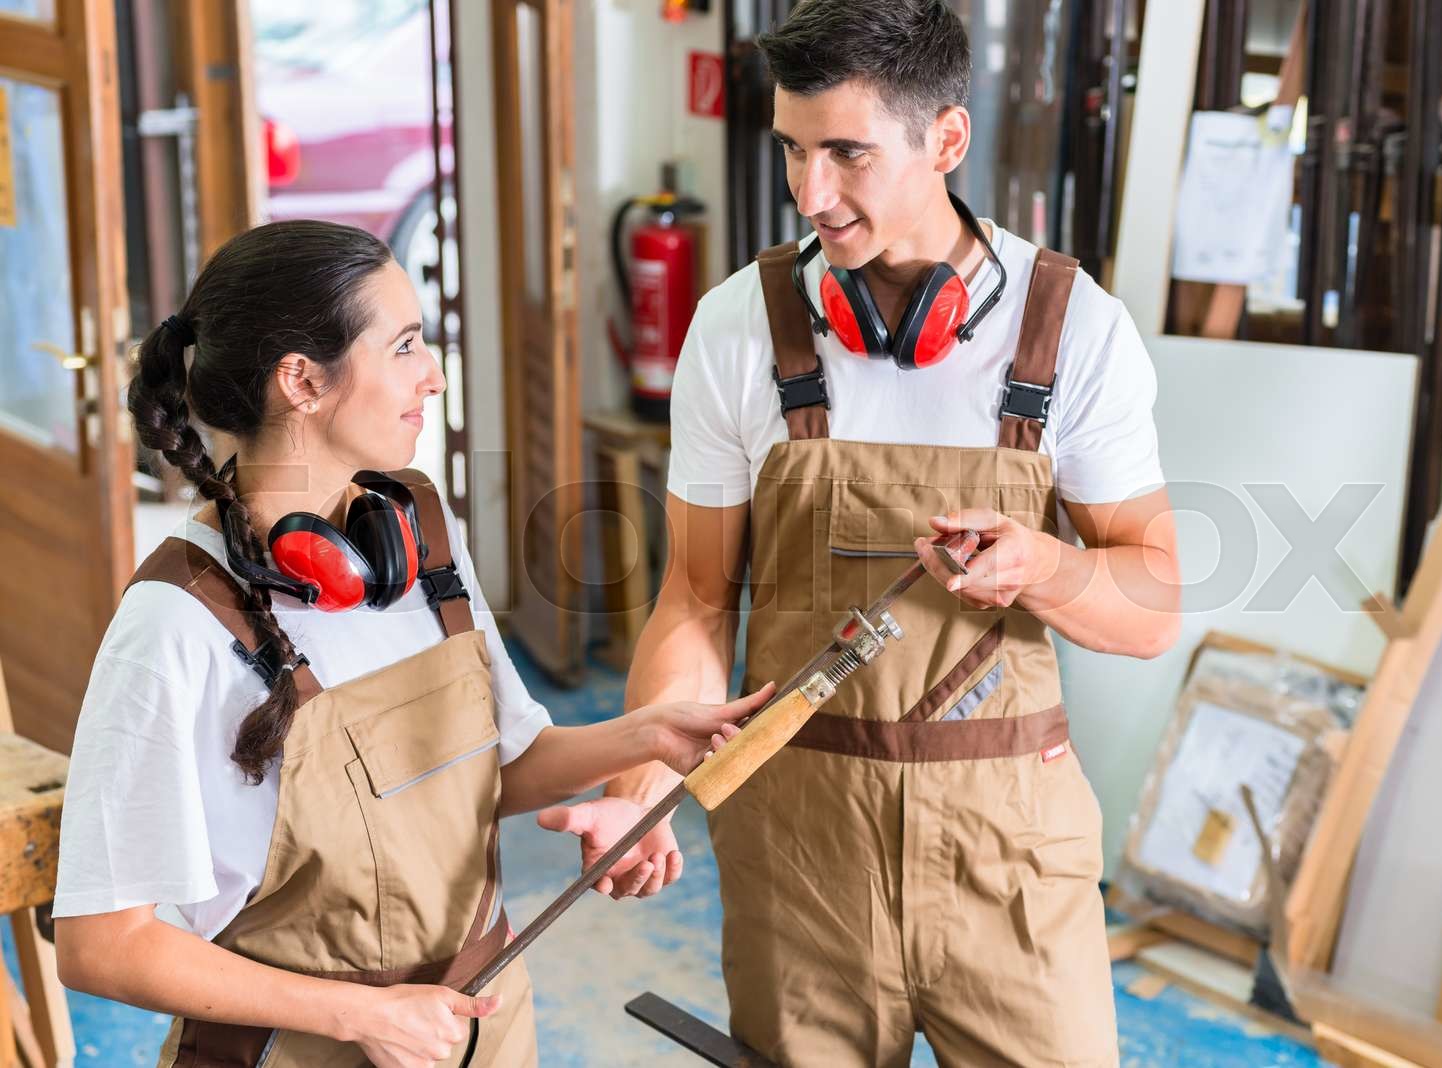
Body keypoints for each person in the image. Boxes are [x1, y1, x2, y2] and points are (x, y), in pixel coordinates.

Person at [538, 1, 1182, 1064]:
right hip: (799, 860)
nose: (810, 194)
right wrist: (634, 796)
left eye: (847, 153)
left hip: (1008, 863)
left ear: (945, 139)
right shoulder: (741, 326)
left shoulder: (1071, 329)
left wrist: (1047, 567)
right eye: (792, 151)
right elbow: (695, 603)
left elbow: (1152, 607)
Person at [51, 220, 773, 1068]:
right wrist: (361, 1017)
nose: (433, 376)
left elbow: (492, 764)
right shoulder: (176, 623)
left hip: (483, 1021)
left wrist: (646, 736)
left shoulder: (418, 536)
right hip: (303, 1048)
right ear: (301, 382)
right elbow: (102, 942)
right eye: (403, 346)